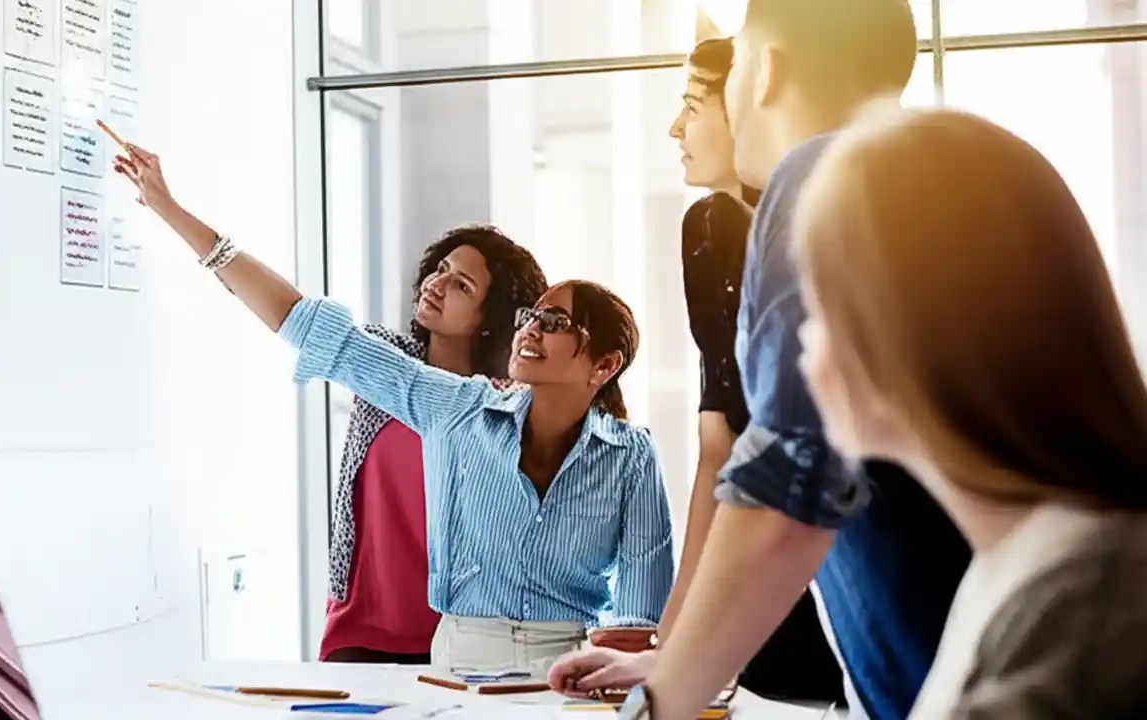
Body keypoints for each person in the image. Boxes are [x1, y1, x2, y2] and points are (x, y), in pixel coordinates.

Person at [550, 2, 970, 718]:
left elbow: (789, 483)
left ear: (766, 70)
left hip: (941, 669)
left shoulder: (815, 181)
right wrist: (677, 655)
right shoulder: (955, 175)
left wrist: (665, 694)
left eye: (735, 63)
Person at [112, 146, 675, 670]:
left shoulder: (626, 453)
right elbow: (303, 321)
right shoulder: (457, 406)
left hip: (560, 661)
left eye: (553, 324)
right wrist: (178, 215)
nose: (532, 329)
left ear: (603, 366)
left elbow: (642, 608)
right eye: (532, 317)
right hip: (430, 646)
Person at [793, 106, 1147, 718]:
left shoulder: (1075, 611)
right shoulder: (1026, 564)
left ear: (895, 332)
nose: (802, 343)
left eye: (817, 308)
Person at [661, 37, 842, 703]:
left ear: (747, 103)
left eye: (690, 107)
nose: (674, 128)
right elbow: (720, 443)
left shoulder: (825, 211)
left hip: (831, 551)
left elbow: (741, 448)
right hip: (768, 564)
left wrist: (680, 649)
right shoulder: (709, 230)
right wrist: (673, 639)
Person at [320, 225, 548, 663]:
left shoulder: (508, 405)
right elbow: (298, 318)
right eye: (441, 269)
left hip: (471, 636)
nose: (437, 285)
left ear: (491, 318)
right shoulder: (387, 361)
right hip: (363, 627)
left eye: (461, 285)